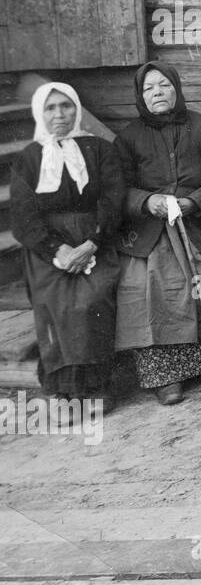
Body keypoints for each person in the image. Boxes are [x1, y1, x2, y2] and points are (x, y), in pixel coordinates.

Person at [115, 62, 201, 405]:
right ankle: (166, 375)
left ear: (176, 89)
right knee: (153, 281)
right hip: (152, 228)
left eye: (164, 85)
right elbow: (116, 187)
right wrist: (148, 202)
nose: (157, 93)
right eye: (149, 88)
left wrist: (196, 201)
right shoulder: (129, 137)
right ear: (140, 96)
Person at [11, 83, 124, 410]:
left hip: (95, 240)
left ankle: (97, 387)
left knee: (92, 300)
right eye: (50, 108)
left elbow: (113, 198)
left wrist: (92, 243)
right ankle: (64, 391)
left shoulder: (100, 149)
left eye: (66, 106)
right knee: (54, 303)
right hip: (47, 249)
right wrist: (57, 251)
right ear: (39, 113)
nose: (59, 114)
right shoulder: (29, 159)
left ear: (77, 109)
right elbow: (23, 215)